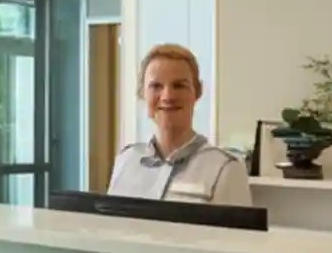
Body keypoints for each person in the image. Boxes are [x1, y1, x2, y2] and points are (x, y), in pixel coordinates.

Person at [108, 43, 253, 206]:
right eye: (156, 86)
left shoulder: (226, 169)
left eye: (179, 86)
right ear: (142, 93)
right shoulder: (126, 161)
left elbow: (234, 233)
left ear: (197, 92)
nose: (168, 96)